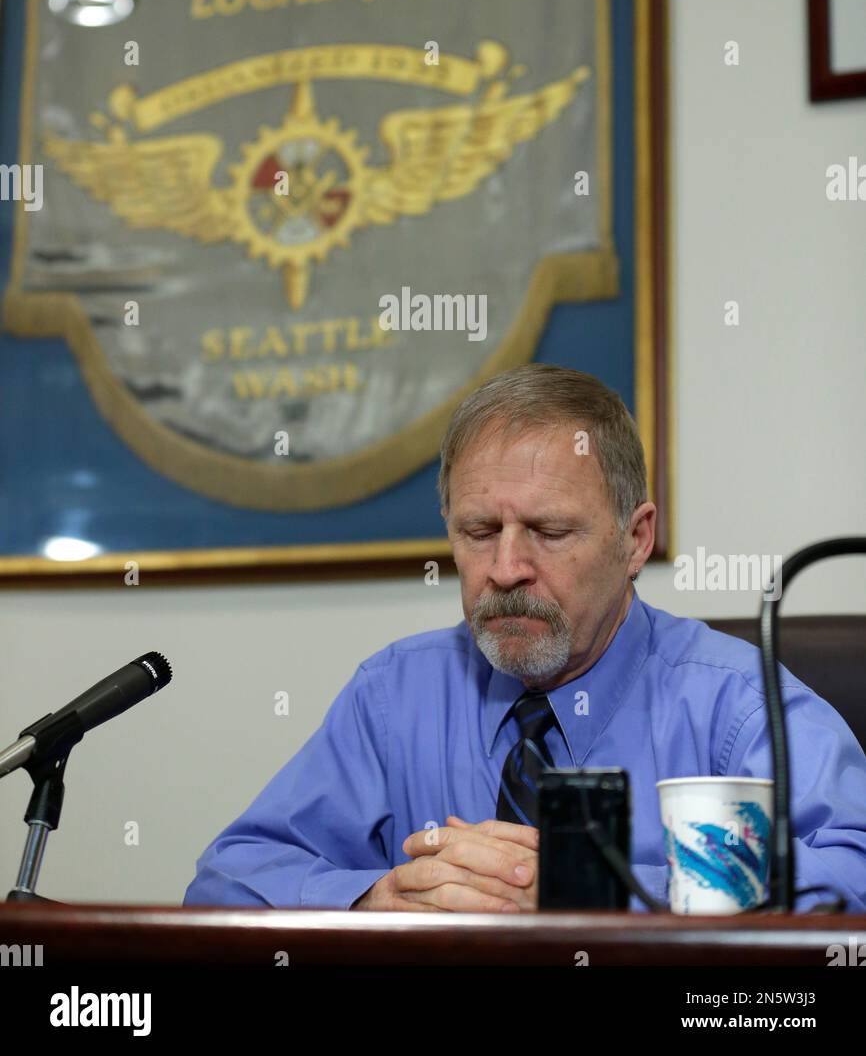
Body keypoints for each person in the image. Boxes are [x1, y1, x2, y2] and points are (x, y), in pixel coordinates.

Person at [183, 364, 866, 912]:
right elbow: (224, 882)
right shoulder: (395, 696)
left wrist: (600, 892)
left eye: (549, 531)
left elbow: (853, 874)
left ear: (635, 539)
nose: (506, 569)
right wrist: (370, 899)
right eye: (480, 533)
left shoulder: (736, 705)